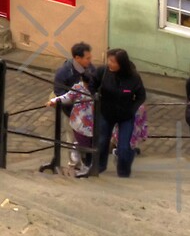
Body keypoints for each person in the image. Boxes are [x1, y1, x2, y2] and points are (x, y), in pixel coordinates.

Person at [92, 48, 147, 178]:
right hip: (106, 113)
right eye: (109, 60)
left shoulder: (133, 77)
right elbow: (92, 84)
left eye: (113, 61)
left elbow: (141, 96)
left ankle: (123, 172)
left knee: (124, 147)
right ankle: (100, 166)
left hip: (125, 116)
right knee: (102, 141)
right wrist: (95, 96)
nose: (109, 63)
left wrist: (132, 109)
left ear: (121, 63)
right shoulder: (102, 71)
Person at [52, 42, 96, 172]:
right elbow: (59, 92)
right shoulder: (64, 73)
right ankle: (73, 164)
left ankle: (87, 161)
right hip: (71, 113)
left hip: (88, 114)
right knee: (71, 137)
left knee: (88, 138)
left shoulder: (90, 69)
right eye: (87, 58)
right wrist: (76, 105)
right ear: (77, 58)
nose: (90, 60)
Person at [48, 73, 94, 177]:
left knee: (90, 145)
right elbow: (66, 97)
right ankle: (85, 164)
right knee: (85, 146)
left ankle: (86, 164)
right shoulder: (77, 87)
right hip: (79, 123)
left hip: (92, 123)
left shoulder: (95, 88)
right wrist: (54, 100)